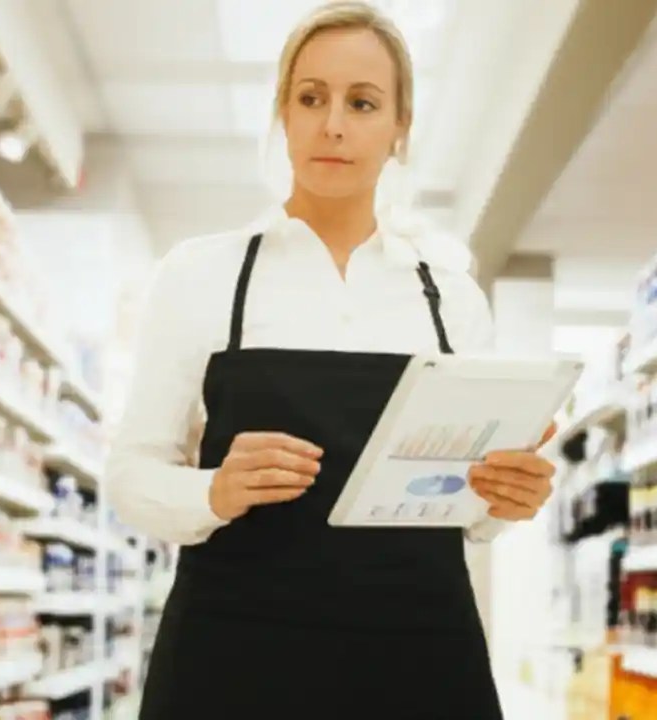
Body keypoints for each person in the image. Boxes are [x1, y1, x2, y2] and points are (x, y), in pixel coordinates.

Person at [106, 3, 557, 717]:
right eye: (310, 98)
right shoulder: (202, 276)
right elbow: (131, 474)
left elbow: (473, 517)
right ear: (282, 113)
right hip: (233, 654)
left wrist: (507, 499)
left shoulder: (450, 298)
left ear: (399, 128)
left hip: (419, 652)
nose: (334, 125)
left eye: (363, 103)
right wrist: (214, 491)